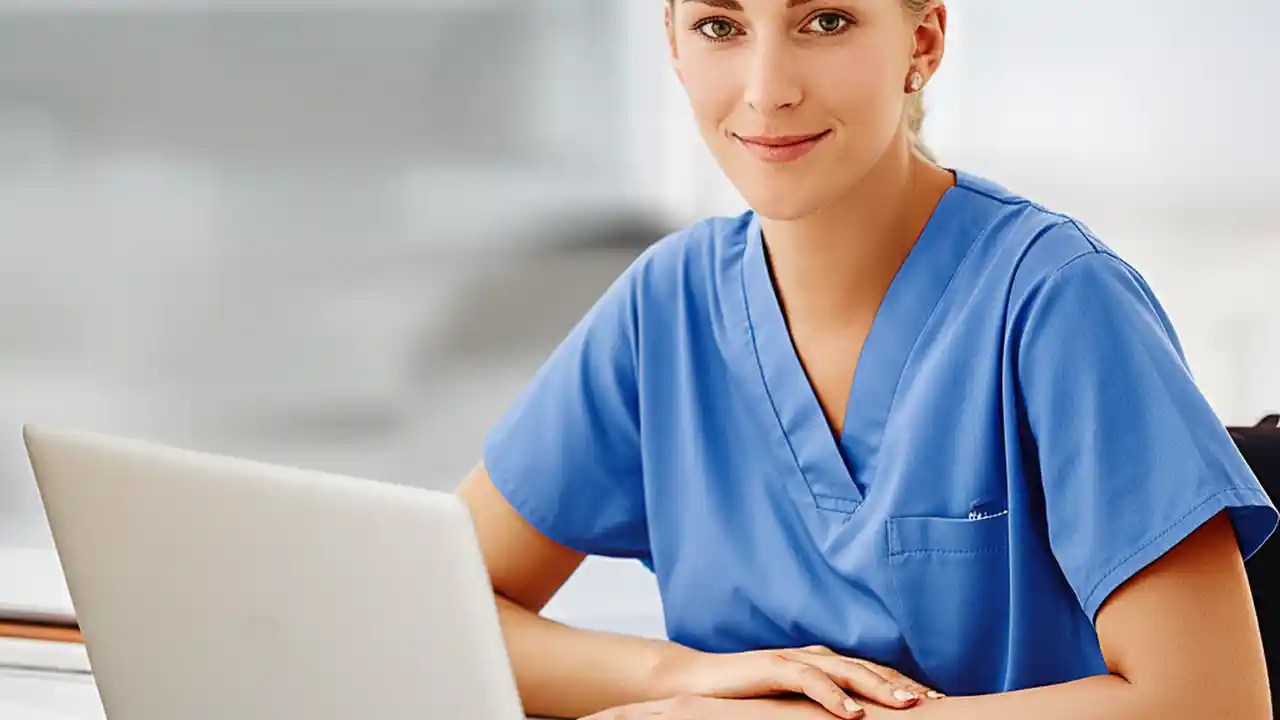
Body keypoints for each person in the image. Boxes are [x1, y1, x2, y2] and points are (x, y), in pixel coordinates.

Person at [457, 1, 1279, 718]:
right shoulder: (664, 307)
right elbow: (440, 608)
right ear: (673, 45)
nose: (767, 88)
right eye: (719, 26)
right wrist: (691, 678)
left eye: (826, 22)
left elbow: (1211, 703)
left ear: (921, 45)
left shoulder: (1058, 302)